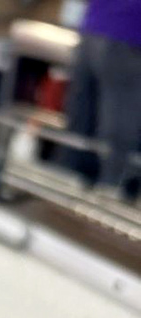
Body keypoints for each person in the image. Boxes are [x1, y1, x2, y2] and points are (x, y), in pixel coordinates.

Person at [63, 0, 141, 196]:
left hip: (92, 29)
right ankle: (110, 195)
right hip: (127, 34)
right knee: (119, 130)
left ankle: (64, 190)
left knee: (81, 122)